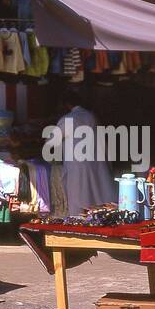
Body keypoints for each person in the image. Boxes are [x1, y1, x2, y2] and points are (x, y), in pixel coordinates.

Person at [54, 87, 116, 215]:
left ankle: (80, 223)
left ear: (66, 104)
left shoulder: (67, 119)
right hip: (95, 162)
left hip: (77, 165)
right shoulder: (91, 116)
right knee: (97, 194)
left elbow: (53, 140)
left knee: (79, 199)